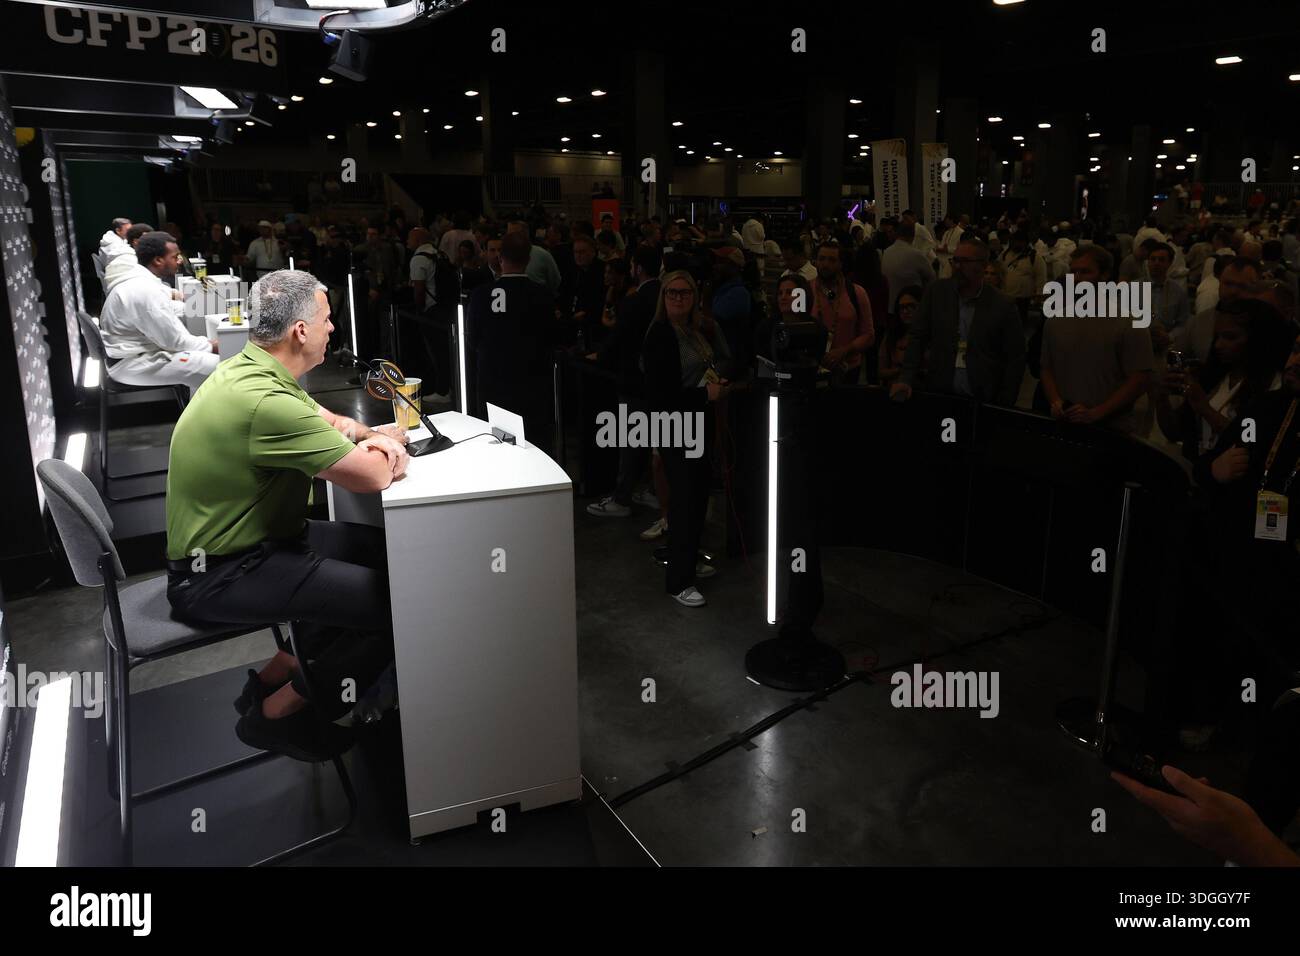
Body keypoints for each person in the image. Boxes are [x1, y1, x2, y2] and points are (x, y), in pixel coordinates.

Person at [165, 269, 409, 760]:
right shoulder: (265, 401)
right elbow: (371, 477)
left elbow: (324, 417)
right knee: (403, 605)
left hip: (252, 546)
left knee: (391, 556)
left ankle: (274, 677)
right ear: (301, 331)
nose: (332, 328)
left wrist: (361, 433)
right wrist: (385, 445)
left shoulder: (251, 369)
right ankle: (280, 713)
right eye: (325, 318)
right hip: (223, 573)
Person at [642, 270, 732, 608]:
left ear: (694, 297)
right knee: (684, 504)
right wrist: (705, 395)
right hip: (675, 427)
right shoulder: (659, 335)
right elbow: (660, 396)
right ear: (663, 298)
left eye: (685, 292)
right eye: (672, 293)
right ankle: (679, 581)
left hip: (698, 424)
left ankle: (688, 561)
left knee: (696, 500)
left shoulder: (694, 330)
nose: (678, 298)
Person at [1154, 298, 1292, 462]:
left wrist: (1204, 408)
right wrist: (1161, 397)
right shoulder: (1213, 376)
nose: (1218, 345)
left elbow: (1252, 444)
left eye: (1230, 337)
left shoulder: (1275, 385)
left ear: (1258, 340)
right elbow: (1174, 432)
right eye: (1217, 336)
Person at [890, 237, 1023, 406]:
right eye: (955, 260)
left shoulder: (1003, 305)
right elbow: (918, 337)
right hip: (941, 392)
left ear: (982, 266)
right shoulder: (937, 292)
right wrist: (906, 378)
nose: (957, 266)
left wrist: (1006, 401)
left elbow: (1015, 358)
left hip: (983, 398)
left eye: (964, 261)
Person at [1038, 244, 1154, 432]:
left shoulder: (1128, 322)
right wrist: (1056, 402)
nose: (1077, 279)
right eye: (1074, 272)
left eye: (1085, 272)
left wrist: (1097, 413)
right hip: (1066, 422)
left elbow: (1140, 378)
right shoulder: (1055, 321)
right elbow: (1046, 367)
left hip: (1112, 427)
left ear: (1104, 275)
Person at [465, 231, 559, 451]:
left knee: (497, 444)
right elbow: (551, 337)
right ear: (528, 260)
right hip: (533, 382)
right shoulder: (542, 294)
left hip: (492, 380)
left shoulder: (480, 294)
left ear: (500, 259)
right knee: (535, 446)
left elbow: (473, 339)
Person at [588, 245, 663, 519]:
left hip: (633, 381)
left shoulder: (635, 301)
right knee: (657, 441)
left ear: (638, 268)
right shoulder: (666, 296)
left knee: (631, 443)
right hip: (662, 383)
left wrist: (601, 355)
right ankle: (654, 491)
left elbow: (618, 339)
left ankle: (622, 498)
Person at [99, 232, 219, 394]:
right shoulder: (144, 290)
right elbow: (175, 342)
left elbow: (165, 310)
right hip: (132, 364)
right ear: (158, 260)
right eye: (175, 256)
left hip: (134, 355)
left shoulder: (140, 280)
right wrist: (212, 345)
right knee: (221, 366)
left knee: (202, 358)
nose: (179, 260)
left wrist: (196, 308)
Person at [809, 240, 874, 384]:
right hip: (812, 369)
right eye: (821, 259)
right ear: (815, 261)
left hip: (848, 369)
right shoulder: (804, 291)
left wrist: (845, 350)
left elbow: (869, 335)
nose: (825, 264)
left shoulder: (857, 293)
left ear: (841, 264)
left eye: (832, 260)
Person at [881, 221, 934, 313]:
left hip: (890, 307)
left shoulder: (886, 253)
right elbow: (932, 277)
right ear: (913, 236)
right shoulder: (915, 254)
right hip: (911, 309)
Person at [878, 285, 922, 387]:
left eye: (911, 306)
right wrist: (900, 371)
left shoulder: (930, 334)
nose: (905, 311)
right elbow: (880, 372)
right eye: (902, 307)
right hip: (894, 388)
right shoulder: (892, 334)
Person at [506, 220, 562, 294]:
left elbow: (555, 281)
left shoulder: (542, 254)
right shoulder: (503, 254)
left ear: (525, 234)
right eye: (508, 234)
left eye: (513, 234)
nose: (510, 237)